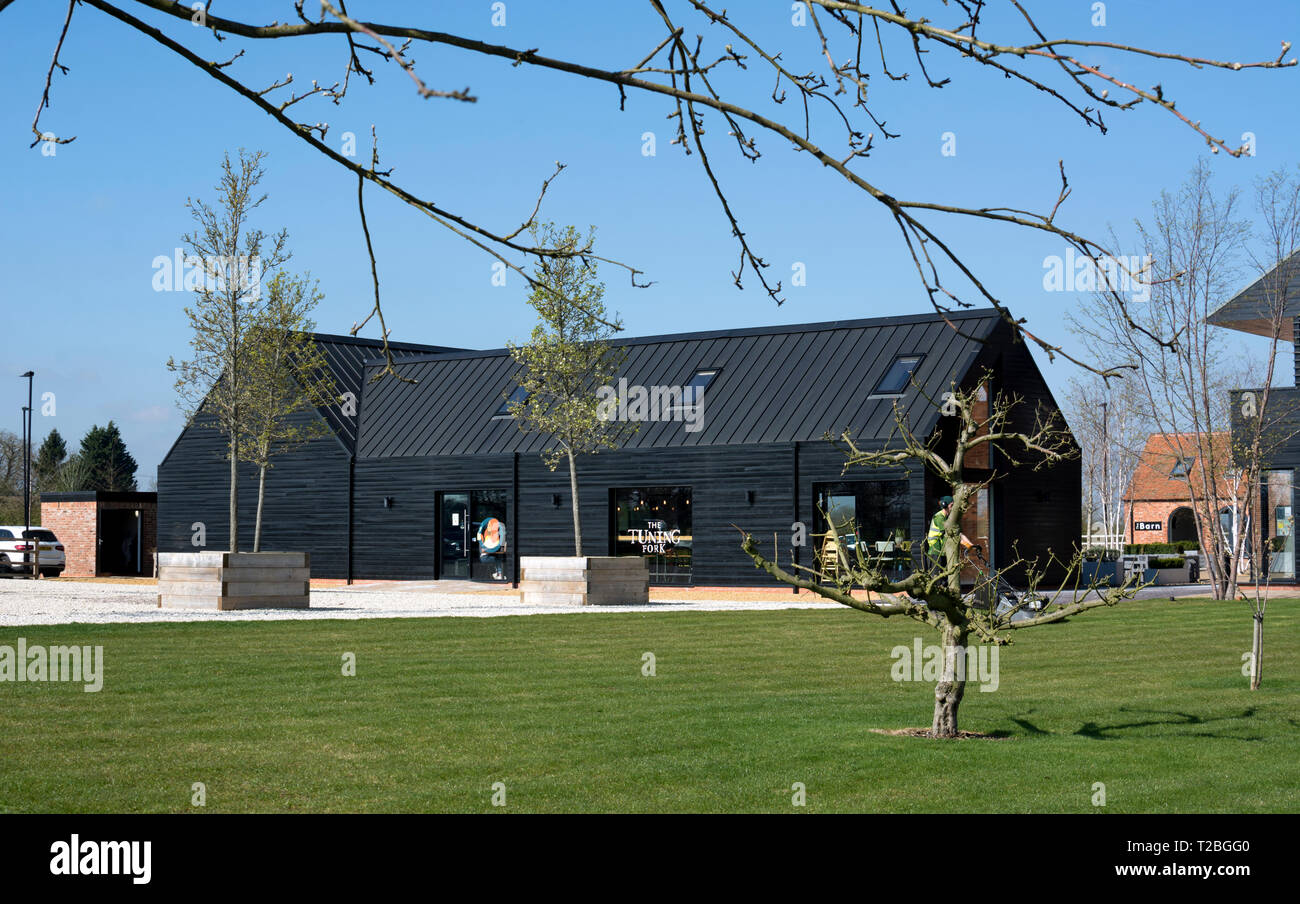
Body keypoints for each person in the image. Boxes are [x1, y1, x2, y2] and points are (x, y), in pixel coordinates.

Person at [926, 495, 974, 565]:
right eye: (951, 505)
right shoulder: (939, 517)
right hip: (935, 552)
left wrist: (969, 544)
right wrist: (966, 543)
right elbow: (952, 533)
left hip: (942, 552)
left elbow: (958, 533)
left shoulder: (947, 518)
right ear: (945, 505)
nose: (953, 508)